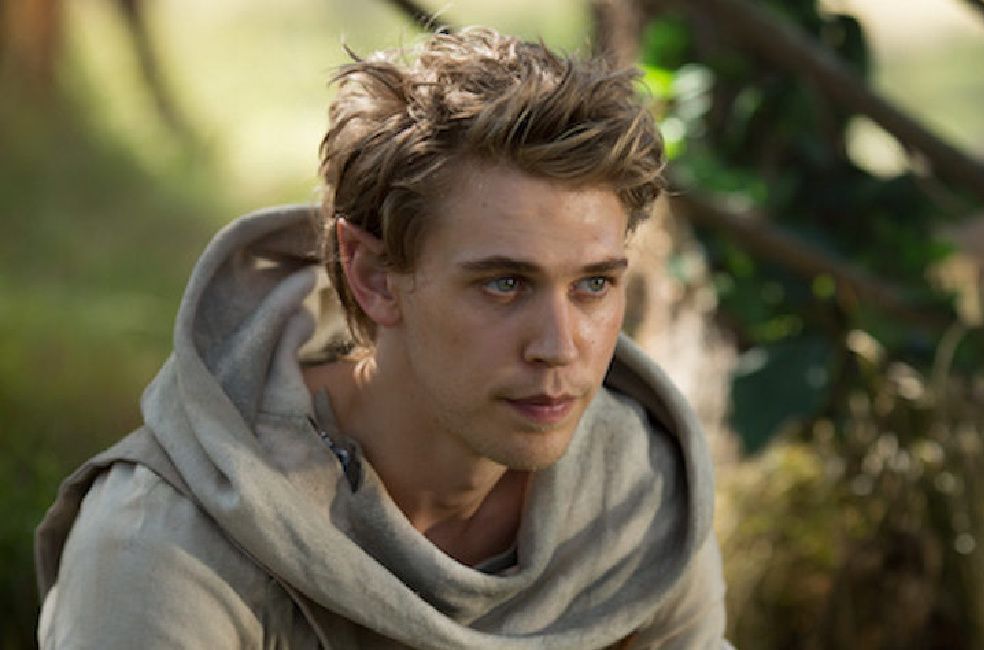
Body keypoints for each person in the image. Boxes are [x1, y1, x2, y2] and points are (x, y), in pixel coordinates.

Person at [35, 27, 729, 649]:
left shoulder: (634, 496)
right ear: (373, 275)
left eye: (593, 284)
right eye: (504, 284)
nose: (559, 346)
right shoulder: (161, 542)